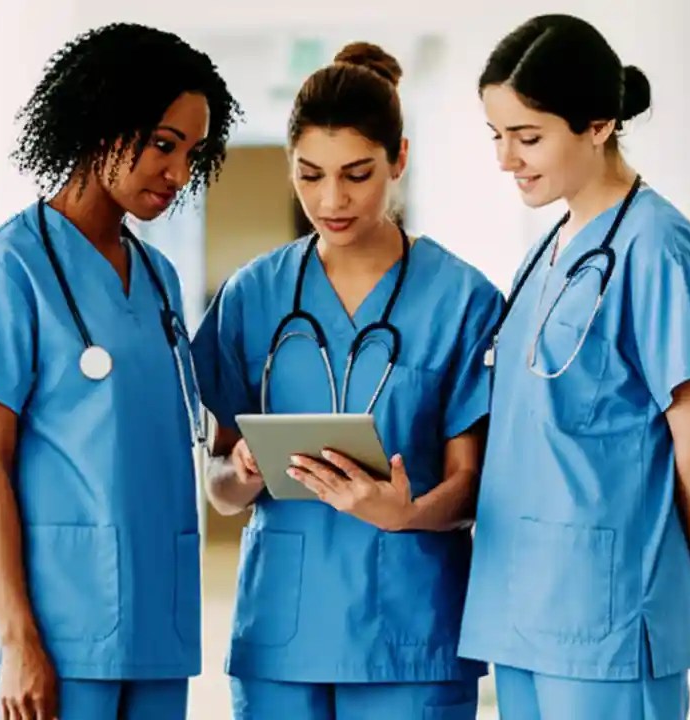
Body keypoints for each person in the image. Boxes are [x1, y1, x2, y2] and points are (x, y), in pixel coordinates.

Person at [456, 14, 690, 720]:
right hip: (522, 608)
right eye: (496, 136)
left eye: (528, 137)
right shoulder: (551, 250)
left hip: (609, 616)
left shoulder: (659, 248)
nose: (507, 159)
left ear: (597, 124)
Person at [191, 41, 504, 720]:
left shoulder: (462, 299)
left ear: (400, 160)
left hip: (411, 631)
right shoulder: (253, 296)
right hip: (283, 629)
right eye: (310, 175)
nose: (331, 200)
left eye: (357, 174)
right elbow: (217, 487)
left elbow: (472, 481)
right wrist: (240, 473)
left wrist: (407, 513)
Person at [0, 23, 239, 720]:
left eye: (192, 153)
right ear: (101, 123)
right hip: (56, 634)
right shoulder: (9, 267)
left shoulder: (160, 279)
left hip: (155, 627)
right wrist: (17, 640)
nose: (177, 174)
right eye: (164, 145)